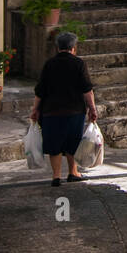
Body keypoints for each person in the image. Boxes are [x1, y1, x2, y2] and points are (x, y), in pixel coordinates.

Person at [31, 31, 98, 186]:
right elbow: (87, 89)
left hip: (51, 112)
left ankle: (55, 176)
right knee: (72, 142)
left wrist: (35, 109)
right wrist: (92, 109)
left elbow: (40, 90)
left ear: (57, 47)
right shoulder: (79, 64)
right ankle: (73, 172)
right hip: (74, 112)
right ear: (74, 48)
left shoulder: (49, 64)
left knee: (54, 144)